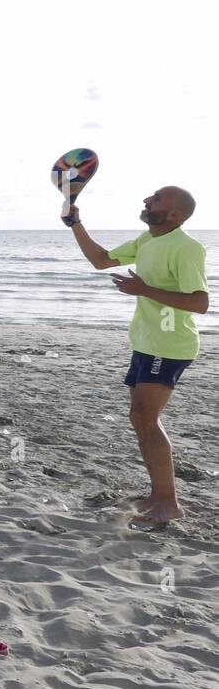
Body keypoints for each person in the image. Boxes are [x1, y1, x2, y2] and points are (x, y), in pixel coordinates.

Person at [66, 186, 209, 530]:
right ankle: (159, 495)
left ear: (175, 215)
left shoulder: (187, 248)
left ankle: (168, 502)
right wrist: (75, 224)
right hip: (147, 341)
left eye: (157, 199)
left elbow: (199, 303)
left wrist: (143, 290)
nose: (147, 200)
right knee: (140, 417)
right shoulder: (147, 241)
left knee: (145, 418)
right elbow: (100, 260)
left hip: (169, 344)